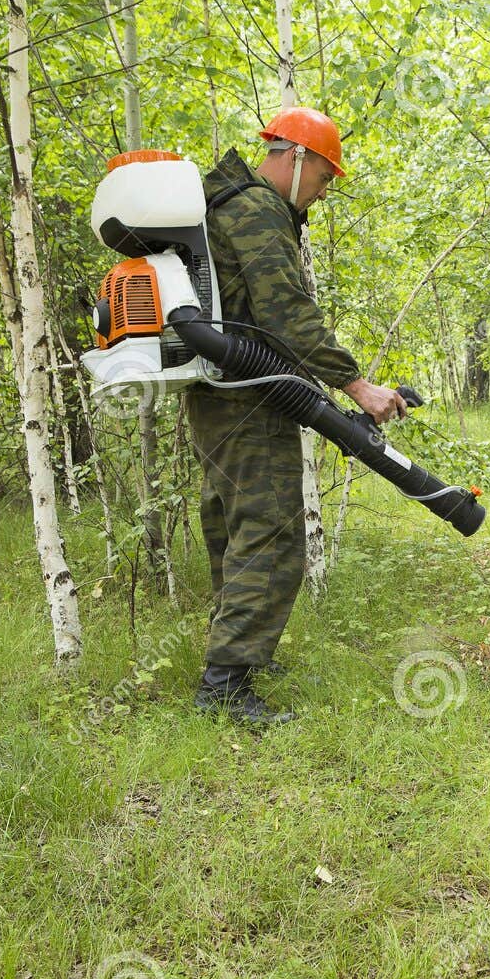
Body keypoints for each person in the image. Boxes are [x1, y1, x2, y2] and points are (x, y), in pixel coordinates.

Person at [186, 108, 407, 724]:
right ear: (297, 158)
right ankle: (225, 684)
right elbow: (285, 313)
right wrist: (356, 384)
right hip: (247, 397)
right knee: (272, 527)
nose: (324, 191)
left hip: (219, 391)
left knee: (232, 521)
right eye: (325, 178)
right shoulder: (257, 209)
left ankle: (237, 653)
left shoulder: (223, 199)